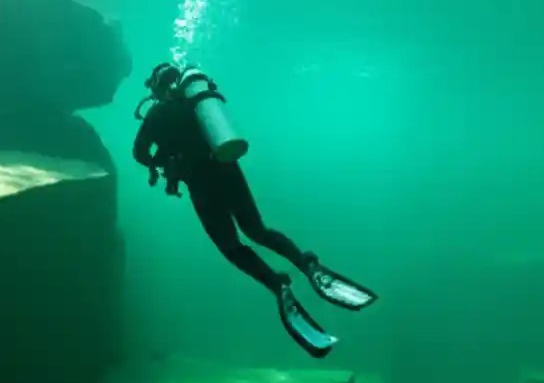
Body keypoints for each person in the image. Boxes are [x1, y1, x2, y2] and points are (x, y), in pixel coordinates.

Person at [132, 61, 376, 358]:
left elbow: (139, 153)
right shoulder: (198, 104)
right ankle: (305, 263)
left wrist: (164, 163)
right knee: (257, 230)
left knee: (232, 246)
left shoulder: (157, 113)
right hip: (229, 172)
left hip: (201, 184)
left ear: (157, 87)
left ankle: (276, 284)